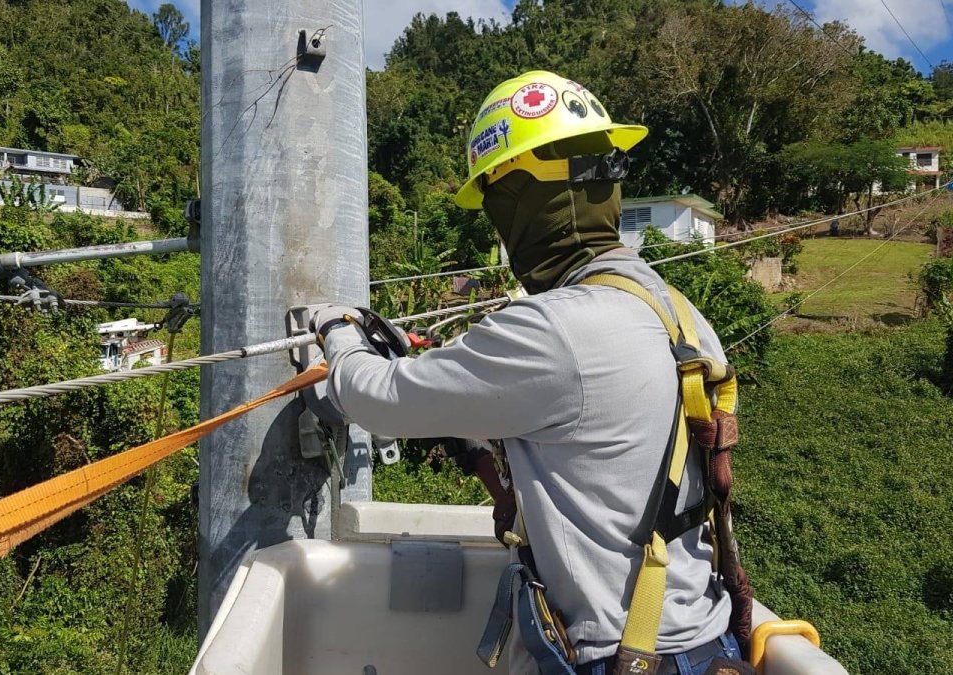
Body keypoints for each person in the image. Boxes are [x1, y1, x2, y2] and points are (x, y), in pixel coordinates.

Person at [308, 71, 748, 675]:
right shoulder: (677, 311)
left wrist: (337, 333)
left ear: (521, 204)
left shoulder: (558, 328)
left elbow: (380, 400)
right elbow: (595, 436)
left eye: (497, 203)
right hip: (702, 638)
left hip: (621, 655)